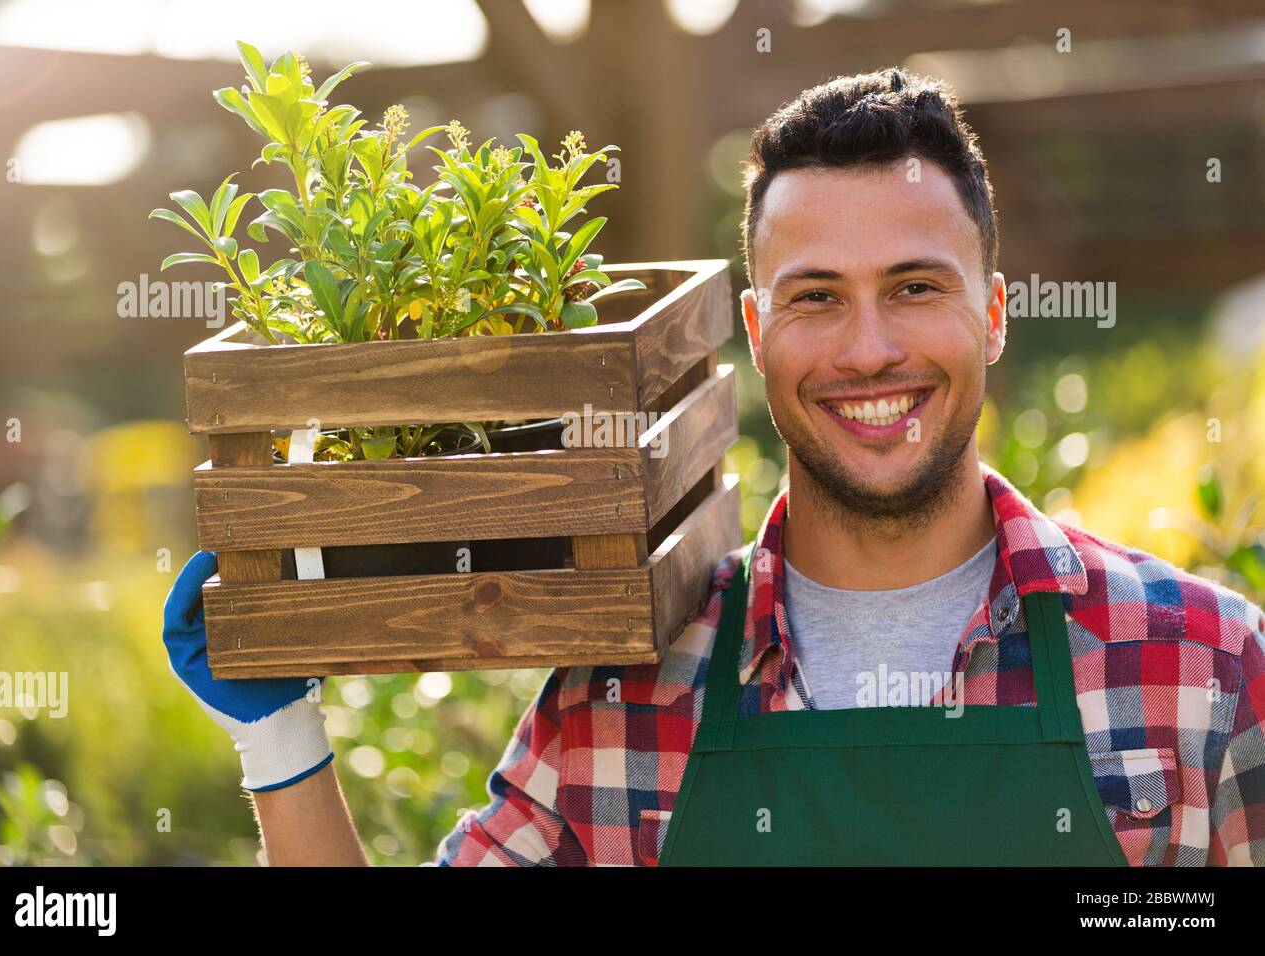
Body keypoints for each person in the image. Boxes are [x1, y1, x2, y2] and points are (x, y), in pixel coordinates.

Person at [163, 68, 1265, 866]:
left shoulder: (1202, 670)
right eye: (816, 295)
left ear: (993, 315)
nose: (868, 346)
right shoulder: (621, 699)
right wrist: (281, 740)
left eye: (915, 287)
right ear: (752, 328)